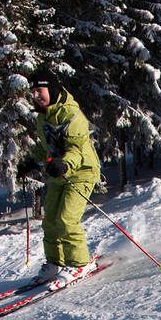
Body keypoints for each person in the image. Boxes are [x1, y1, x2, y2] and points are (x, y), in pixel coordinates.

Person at [27, 79, 99, 287]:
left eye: (40, 91)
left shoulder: (71, 114)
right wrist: (32, 160)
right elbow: (46, 145)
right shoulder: (43, 117)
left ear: (52, 89)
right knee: (50, 219)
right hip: (59, 173)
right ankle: (54, 263)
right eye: (33, 92)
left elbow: (76, 148)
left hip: (82, 171)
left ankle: (79, 263)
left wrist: (65, 164)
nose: (36, 96)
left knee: (66, 219)